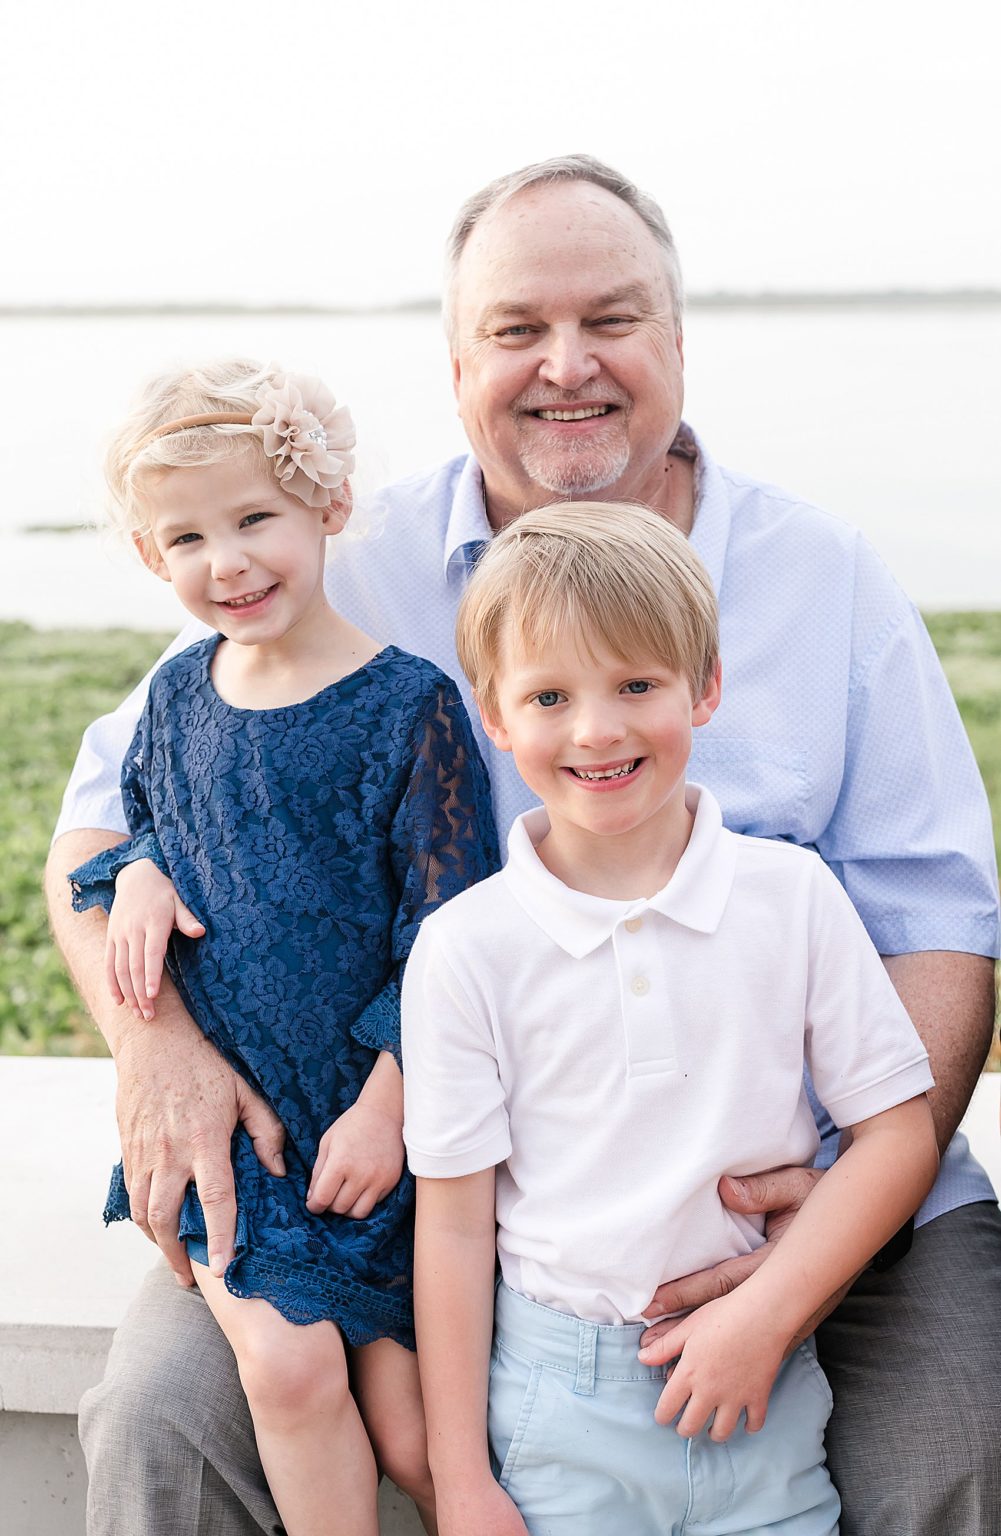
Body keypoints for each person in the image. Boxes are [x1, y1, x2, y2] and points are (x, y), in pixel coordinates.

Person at [46, 156, 1000, 1536]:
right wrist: (158, 1050)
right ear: (454, 366)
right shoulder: (321, 566)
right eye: (515, 329)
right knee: (161, 1425)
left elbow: (937, 932)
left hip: (804, 1190)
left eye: (611, 319)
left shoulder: (825, 578)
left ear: (678, 340)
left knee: (961, 1443)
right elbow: (107, 816)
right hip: (389, 1183)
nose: (566, 365)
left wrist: (834, 1214)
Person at [403, 499, 940, 1536]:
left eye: (636, 685)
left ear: (705, 687)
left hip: (761, 1388)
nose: (596, 729)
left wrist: (766, 1315)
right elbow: (456, 1225)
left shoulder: (790, 897)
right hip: (560, 1411)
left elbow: (895, 1136)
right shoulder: (467, 947)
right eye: (549, 695)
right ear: (495, 717)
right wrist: (459, 1478)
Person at [65, 357, 498, 1536]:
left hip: (373, 1137)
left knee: (415, 1437)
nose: (228, 562)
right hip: (238, 1134)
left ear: (329, 506)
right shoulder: (176, 702)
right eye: (188, 538)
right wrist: (138, 871)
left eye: (255, 518)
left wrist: (389, 1106)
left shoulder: (409, 708)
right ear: (151, 555)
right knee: (292, 1368)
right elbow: (145, 820)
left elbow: (451, 929)